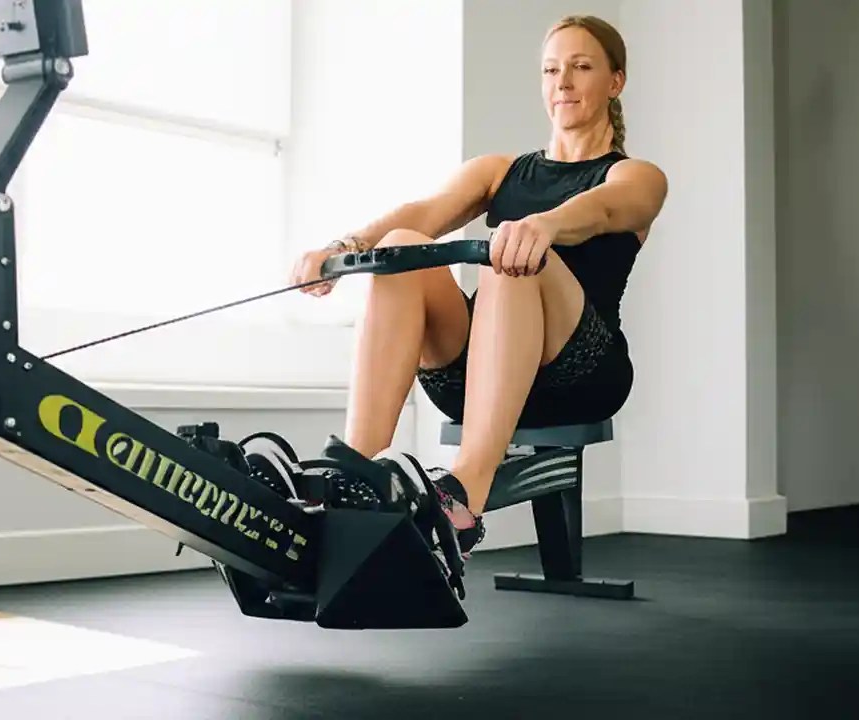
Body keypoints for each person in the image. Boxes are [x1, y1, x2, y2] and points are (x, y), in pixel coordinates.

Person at [282, 15, 667, 555]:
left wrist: (544, 226)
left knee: (511, 259)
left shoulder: (635, 176)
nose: (564, 82)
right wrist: (344, 247)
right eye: (552, 69)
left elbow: (605, 210)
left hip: (578, 373)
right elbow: (425, 211)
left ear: (615, 82)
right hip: (477, 374)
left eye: (582, 67)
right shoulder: (501, 171)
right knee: (401, 243)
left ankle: (465, 494)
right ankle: (358, 468)